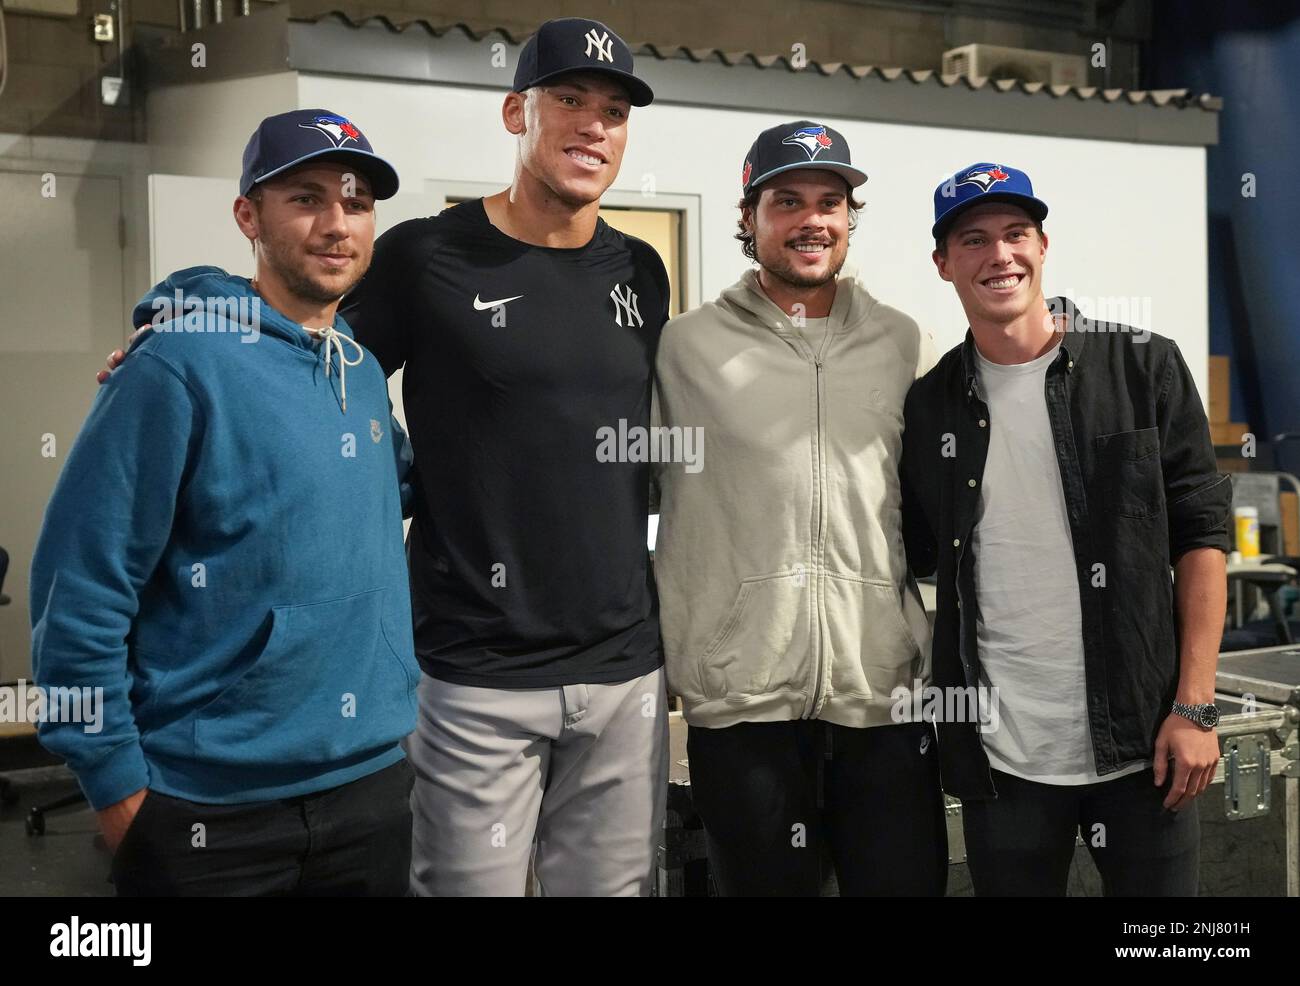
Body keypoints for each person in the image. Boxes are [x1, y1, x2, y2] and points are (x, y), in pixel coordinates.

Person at [35, 109, 419, 896]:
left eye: (355, 202)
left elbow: (385, 498)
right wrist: (118, 794)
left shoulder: (363, 370)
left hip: (373, 792)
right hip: (207, 812)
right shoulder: (175, 367)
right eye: (306, 198)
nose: (336, 223)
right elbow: (79, 594)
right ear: (248, 215)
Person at [337, 18, 670, 896]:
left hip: (624, 667)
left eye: (613, 111)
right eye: (568, 100)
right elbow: (312, 359)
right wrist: (185, 320)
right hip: (473, 670)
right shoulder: (423, 255)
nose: (593, 126)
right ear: (516, 111)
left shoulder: (640, 271)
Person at [901, 162, 1229, 896]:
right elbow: (920, 554)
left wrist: (1195, 706)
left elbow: (1203, 539)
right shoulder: (931, 406)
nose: (1000, 256)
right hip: (1003, 758)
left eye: (1016, 234)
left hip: (1148, 746)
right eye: (974, 240)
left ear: (1043, 246)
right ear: (943, 263)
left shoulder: (1144, 365)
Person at [652, 121, 947, 896]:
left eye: (831, 202)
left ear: (850, 220)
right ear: (749, 218)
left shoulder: (904, 341)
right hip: (741, 701)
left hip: (881, 695)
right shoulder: (684, 348)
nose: (812, 219)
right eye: (788, 201)